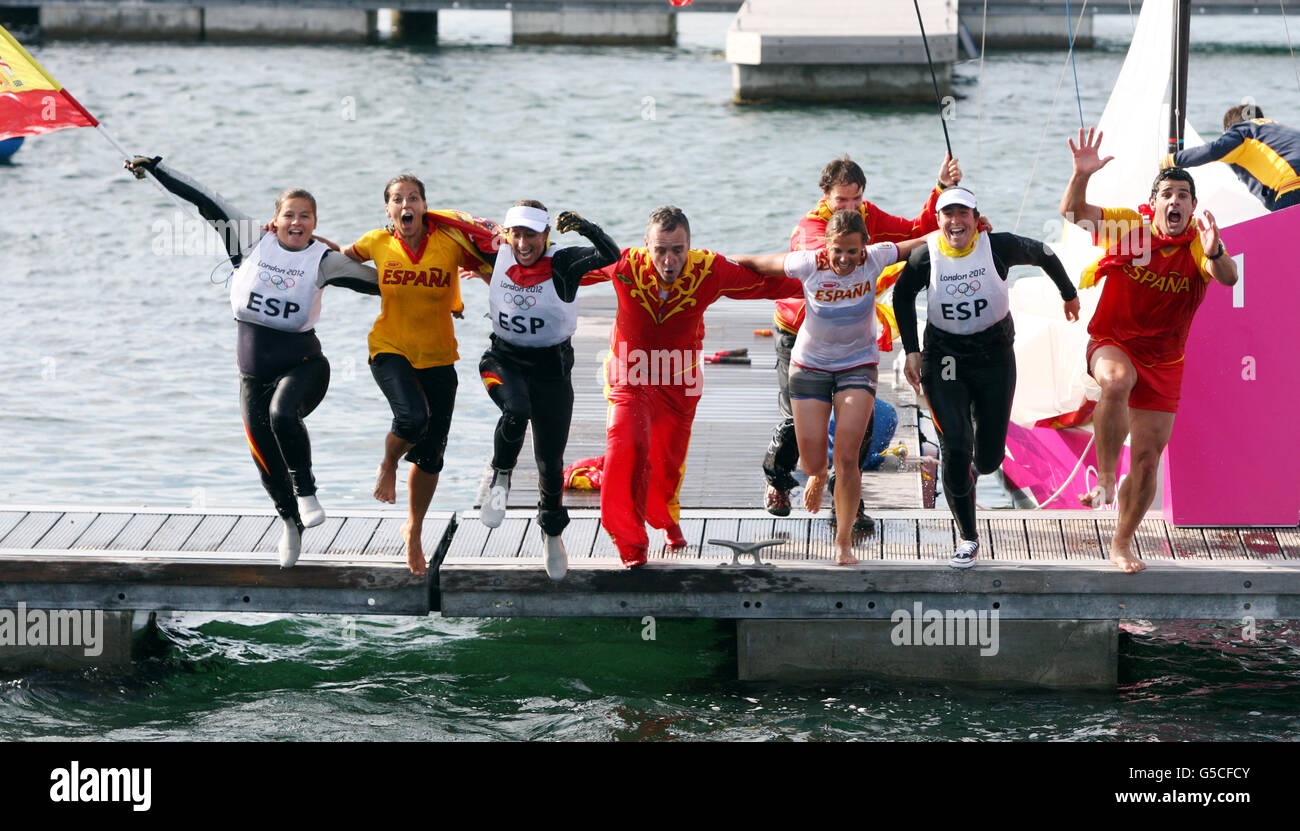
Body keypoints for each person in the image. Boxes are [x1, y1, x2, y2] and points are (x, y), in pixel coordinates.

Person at [125, 155, 379, 568]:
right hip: (251, 376)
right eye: (289, 215)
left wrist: (442, 285)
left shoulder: (324, 261)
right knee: (263, 460)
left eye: (306, 217)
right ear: (274, 220)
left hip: (305, 367)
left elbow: (385, 285)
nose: (297, 223)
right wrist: (154, 168)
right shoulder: (248, 239)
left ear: (315, 224)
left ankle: (307, 490)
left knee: (282, 415)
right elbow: (206, 199)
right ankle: (290, 524)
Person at [1062, 127, 1238, 573]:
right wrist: (1081, 175)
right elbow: (1073, 213)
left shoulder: (1201, 244)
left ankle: (1121, 543)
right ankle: (1103, 478)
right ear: (1154, 203)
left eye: (1183, 195)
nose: (1175, 202)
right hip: (1114, 343)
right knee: (1116, 382)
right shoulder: (1130, 228)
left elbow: (1229, 277)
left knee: (1145, 461)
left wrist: (1217, 251)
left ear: (1193, 207)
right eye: (1168, 194)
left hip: (1165, 361)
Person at [590, 206, 803, 568]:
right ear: (646, 246)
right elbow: (560, 272)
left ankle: (667, 521)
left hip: (679, 382)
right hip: (631, 377)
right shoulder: (625, 264)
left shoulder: (708, 269)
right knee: (625, 448)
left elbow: (764, 284)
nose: (669, 260)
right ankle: (632, 547)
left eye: (678, 250)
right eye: (661, 250)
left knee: (665, 463)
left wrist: (829, 279)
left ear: (690, 245)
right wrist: (496, 269)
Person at [763, 152, 963, 527]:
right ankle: (777, 480)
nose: (852, 208)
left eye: (857, 199)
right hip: (799, 332)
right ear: (825, 197)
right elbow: (830, 263)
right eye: (842, 200)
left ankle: (847, 507)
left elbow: (911, 231)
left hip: (851, 348)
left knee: (862, 424)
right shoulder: (811, 228)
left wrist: (945, 198)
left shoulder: (865, 216)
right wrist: (871, 263)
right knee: (797, 421)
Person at [893, 187, 1080, 569]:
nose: (955, 222)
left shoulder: (998, 247)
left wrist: (1069, 293)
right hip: (945, 359)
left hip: (994, 357)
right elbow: (901, 294)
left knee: (990, 458)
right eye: (948, 214)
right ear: (939, 220)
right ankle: (968, 537)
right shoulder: (926, 255)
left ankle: (975, 459)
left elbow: (1044, 253)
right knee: (956, 446)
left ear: (977, 220)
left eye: (963, 214)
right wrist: (911, 348)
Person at [736, 211, 925, 564]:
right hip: (810, 365)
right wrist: (703, 264)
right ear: (826, 246)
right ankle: (818, 476)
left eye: (853, 251)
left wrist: (968, 231)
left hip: (858, 364)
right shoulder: (809, 263)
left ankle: (843, 542)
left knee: (848, 457)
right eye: (838, 250)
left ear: (864, 246)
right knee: (812, 461)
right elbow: (759, 264)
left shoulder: (876, 258)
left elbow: (920, 243)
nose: (845, 259)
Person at [342, 175, 499, 575]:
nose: (405, 204)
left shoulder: (449, 243)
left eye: (413, 198)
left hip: (439, 357)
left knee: (431, 455)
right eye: (397, 199)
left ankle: (413, 530)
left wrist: (499, 292)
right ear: (389, 210)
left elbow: (491, 266)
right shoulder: (376, 242)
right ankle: (388, 464)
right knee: (412, 418)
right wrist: (286, 239)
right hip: (389, 349)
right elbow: (332, 259)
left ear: (425, 206)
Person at [477, 201, 620, 581]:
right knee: (515, 411)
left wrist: (587, 226)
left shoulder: (563, 263)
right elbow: (443, 228)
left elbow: (611, 255)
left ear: (546, 235)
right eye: (516, 234)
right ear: (507, 234)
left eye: (532, 235)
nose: (523, 244)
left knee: (550, 464)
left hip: (552, 370)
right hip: (502, 361)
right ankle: (500, 476)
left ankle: (551, 535)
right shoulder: (494, 252)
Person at [1163, 104, 1300, 212]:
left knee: (1281, 245)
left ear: (1228, 129)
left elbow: (1212, 150)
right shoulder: (1277, 127)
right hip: (1291, 183)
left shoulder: (1242, 131)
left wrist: (1170, 161)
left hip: (1293, 186)